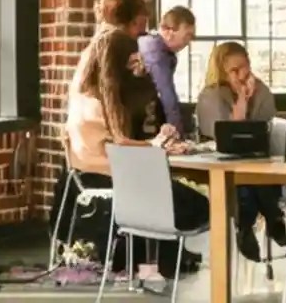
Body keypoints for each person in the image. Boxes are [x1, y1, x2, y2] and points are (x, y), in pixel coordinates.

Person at [64, 30, 209, 277]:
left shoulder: (83, 96)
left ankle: (152, 264)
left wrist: (153, 144)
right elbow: (120, 146)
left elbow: (118, 144)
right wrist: (157, 144)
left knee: (172, 195)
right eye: (132, 60)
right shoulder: (104, 101)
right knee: (198, 204)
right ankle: (160, 264)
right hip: (113, 178)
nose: (136, 65)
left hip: (89, 175)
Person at [195, 42, 286, 262]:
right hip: (224, 162)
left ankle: (245, 226)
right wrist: (242, 102)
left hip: (262, 160)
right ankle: (271, 218)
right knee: (243, 180)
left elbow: (270, 130)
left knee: (254, 175)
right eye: (234, 71)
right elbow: (228, 137)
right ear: (222, 72)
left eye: (245, 67)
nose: (242, 75)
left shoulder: (261, 90)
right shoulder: (211, 95)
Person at [139, 6, 196, 136]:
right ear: (169, 31)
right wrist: (178, 134)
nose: (188, 42)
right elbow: (166, 92)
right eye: (187, 35)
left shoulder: (165, 53)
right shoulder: (155, 50)